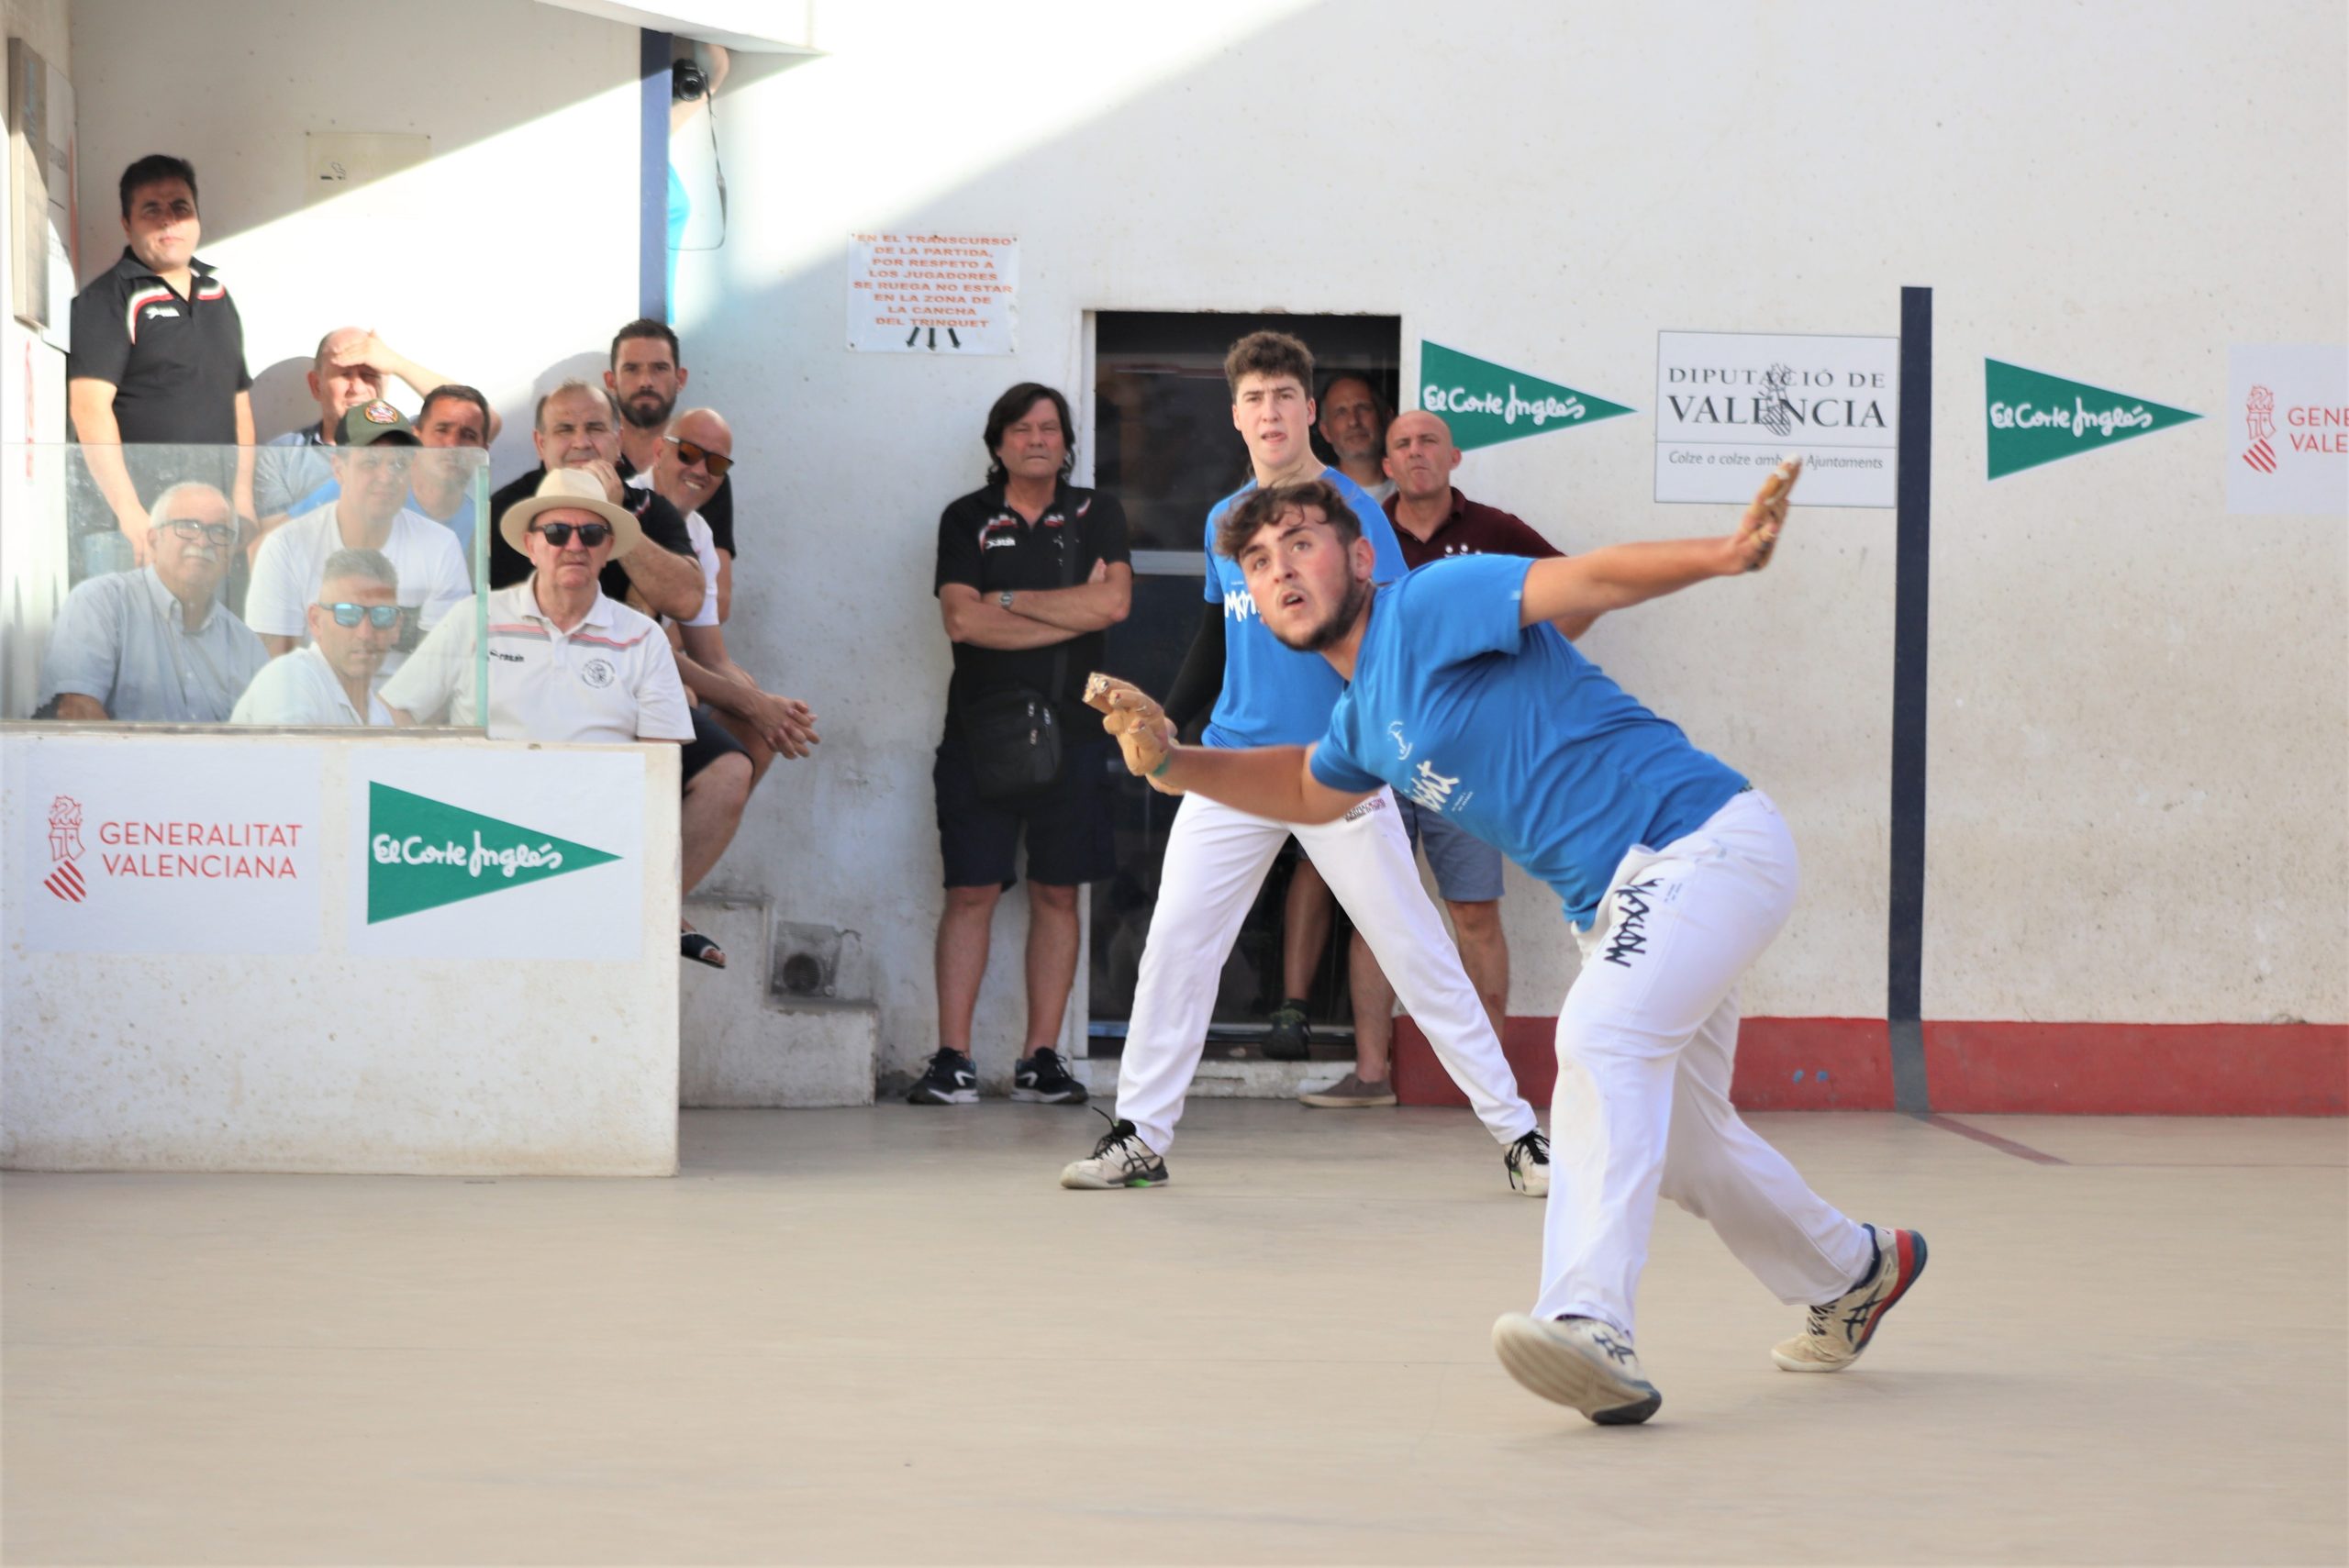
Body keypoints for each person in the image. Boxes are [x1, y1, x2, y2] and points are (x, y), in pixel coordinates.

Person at [1089, 462, 1928, 1427]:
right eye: (1260, 561)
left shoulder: (1431, 603)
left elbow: (1592, 580)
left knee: (1599, 1041)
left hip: (1701, 843)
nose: (1280, 569)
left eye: (1301, 542)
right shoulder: (1361, 717)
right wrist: (1172, 761)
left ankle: (1588, 1321)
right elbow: (1302, 789)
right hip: (1623, 905)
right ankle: (1857, 1266)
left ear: (1360, 555)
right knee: (1688, 1147)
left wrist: (1727, 553)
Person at [1059, 331, 1544, 1195]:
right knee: (1176, 945)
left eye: (1284, 396)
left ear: (1308, 409)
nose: (1269, 413)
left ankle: (1519, 1138)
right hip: (1235, 767)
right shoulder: (1224, 520)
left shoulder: (1356, 514)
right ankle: (1138, 1136)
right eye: (1253, 399)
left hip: (1338, 769)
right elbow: (1219, 636)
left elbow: (1391, 643)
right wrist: (1172, 721)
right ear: (1235, 414)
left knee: (1415, 952)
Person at [1308, 409, 1565, 1109]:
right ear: (1385, 465)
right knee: (1376, 914)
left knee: (1474, 913)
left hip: (1468, 757)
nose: (1416, 454)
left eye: (1429, 442)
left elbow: (1567, 592)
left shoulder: (1497, 533)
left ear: (1455, 457)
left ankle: (1492, 1089)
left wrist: (1513, 686)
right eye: (1402, 445)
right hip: (1377, 754)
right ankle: (1370, 1076)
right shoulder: (1360, 535)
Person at [385, 471, 739, 962]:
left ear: (608, 546)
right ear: (531, 545)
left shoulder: (644, 639)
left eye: (590, 533)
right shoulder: (474, 617)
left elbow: (658, 776)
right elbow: (397, 710)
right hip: (477, 853)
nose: (573, 544)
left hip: (592, 855)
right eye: (556, 533)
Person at [917, 383, 1132, 1107]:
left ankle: (1041, 1058)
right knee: (971, 889)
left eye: (1050, 428)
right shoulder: (966, 518)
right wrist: (1069, 613)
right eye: (1021, 427)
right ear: (999, 441)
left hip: (1074, 731)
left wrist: (1004, 600)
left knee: (1057, 892)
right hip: (981, 732)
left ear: (1066, 442)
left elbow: (1116, 603)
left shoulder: (1096, 512)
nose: (1037, 439)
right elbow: (961, 622)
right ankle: (953, 1059)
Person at [66, 155, 256, 573]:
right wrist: (128, 512)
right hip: (142, 529)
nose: (168, 221)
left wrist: (242, 499)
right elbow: (88, 409)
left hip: (214, 527)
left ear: (197, 217)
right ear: (126, 223)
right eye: (151, 209)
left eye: (180, 207)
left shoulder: (217, 293)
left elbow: (238, 401)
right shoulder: (108, 299)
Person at [244, 402, 471, 684]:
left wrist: (391, 717)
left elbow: (442, 672)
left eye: (399, 463)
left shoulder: (440, 546)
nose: (387, 477)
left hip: (405, 716)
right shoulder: (286, 546)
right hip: (312, 711)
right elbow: (276, 672)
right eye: (370, 462)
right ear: (338, 468)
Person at [649, 407, 818, 784]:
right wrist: (754, 705)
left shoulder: (699, 533)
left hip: (656, 680)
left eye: (717, 463)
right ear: (659, 450)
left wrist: (774, 714)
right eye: (688, 454)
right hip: (604, 684)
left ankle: (677, 841)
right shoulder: (630, 505)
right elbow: (644, 647)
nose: (700, 470)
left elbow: (711, 656)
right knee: (685, 704)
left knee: (759, 728)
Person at [36, 482, 266, 721]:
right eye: (187, 526)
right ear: (154, 540)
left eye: (219, 532)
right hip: (117, 759)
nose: (202, 541)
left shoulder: (245, 645)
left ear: (231, 555)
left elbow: (269, 739)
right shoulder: (101, 603)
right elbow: (75, 713)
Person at [485, 382, 703, 624]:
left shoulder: (651, 508)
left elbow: (688, 603)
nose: (581, 443)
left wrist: (616, 515)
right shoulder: (506, 510)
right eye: (565, 430)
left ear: (618, 441)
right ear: (541, 444)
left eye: (595, 428)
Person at [253, 328, 488, 534]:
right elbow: (273, 547)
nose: (357, 388)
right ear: (316, 385)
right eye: (345, 374)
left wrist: (397, 364)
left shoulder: (412, 438)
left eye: (369, 375)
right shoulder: (281, 454)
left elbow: (480, 417)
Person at [607, 319, 740, 617]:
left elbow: (717, 600)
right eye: (632, 369)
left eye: (659, 368)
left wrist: (665, 657)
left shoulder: (706, 475)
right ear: (610, 380)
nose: (646, 381)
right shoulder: (596, 468)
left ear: (680, 378)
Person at [280, 384, 492, 560]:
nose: (452, 445)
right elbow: (277, 541)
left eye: (468, 435)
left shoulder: (478, 520)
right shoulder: (369, 483)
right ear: (416, 435)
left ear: (484, 450)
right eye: (442, 430)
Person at [229, 548, 402, 725]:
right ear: (316, 621)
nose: (365, 633)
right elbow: (285, 751)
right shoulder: (290, 680)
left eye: (382, 615)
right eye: (348, 614)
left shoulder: (380, 716)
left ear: (396, 627)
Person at [1317, 373, 1393, 504]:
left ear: (1387, 418)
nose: (1353, 421)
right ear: (1325, 431)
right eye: (1341, 412)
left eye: (1363, 408)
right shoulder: (1312, 496)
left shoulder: (1410, 489)